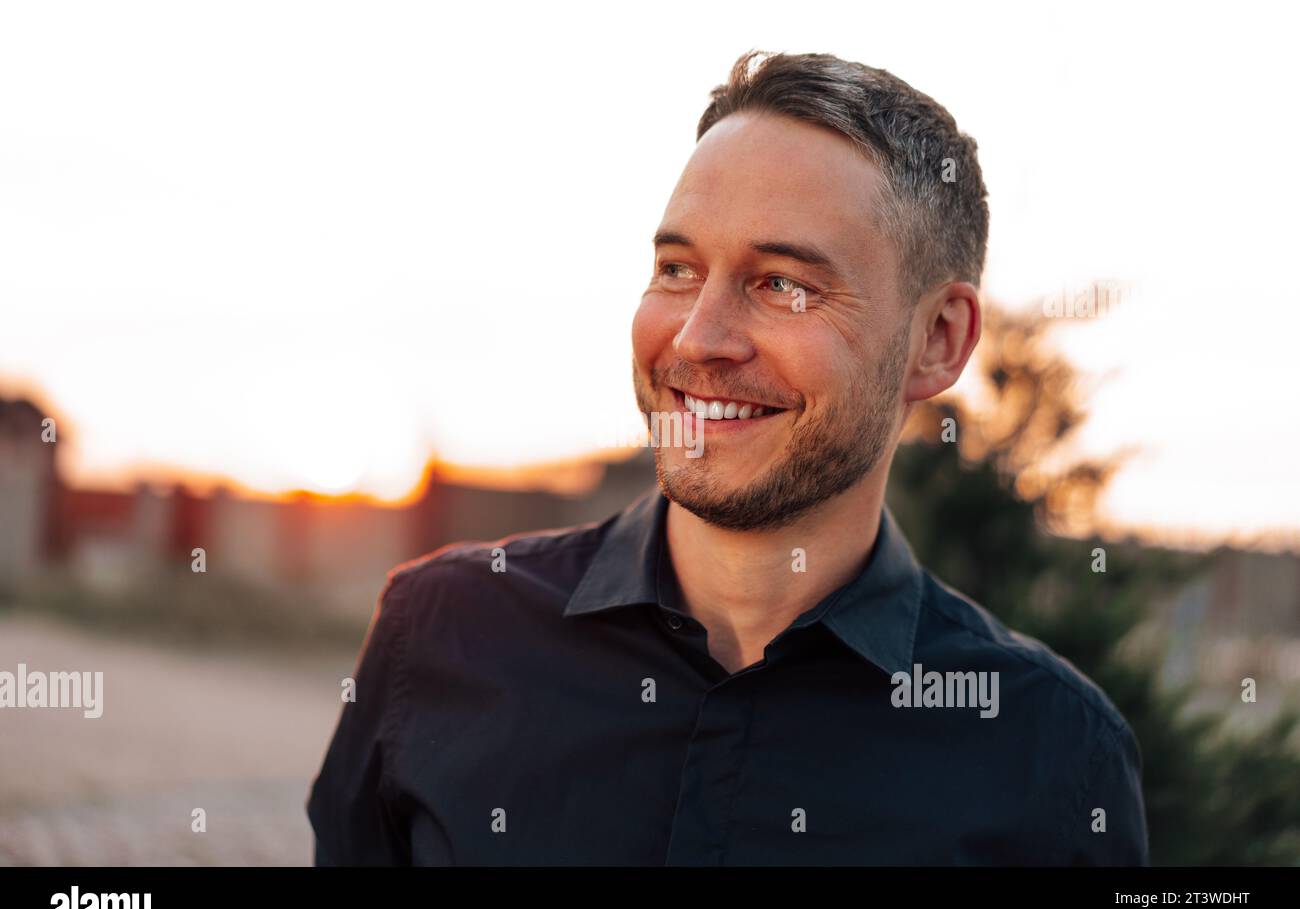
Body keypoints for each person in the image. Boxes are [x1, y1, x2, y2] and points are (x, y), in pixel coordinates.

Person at [307, 50, 1148, 865]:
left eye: (783, 283)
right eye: (677, 267)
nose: (697, 337)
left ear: (937, 340)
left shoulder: (1053, 752)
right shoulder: (442, 631)